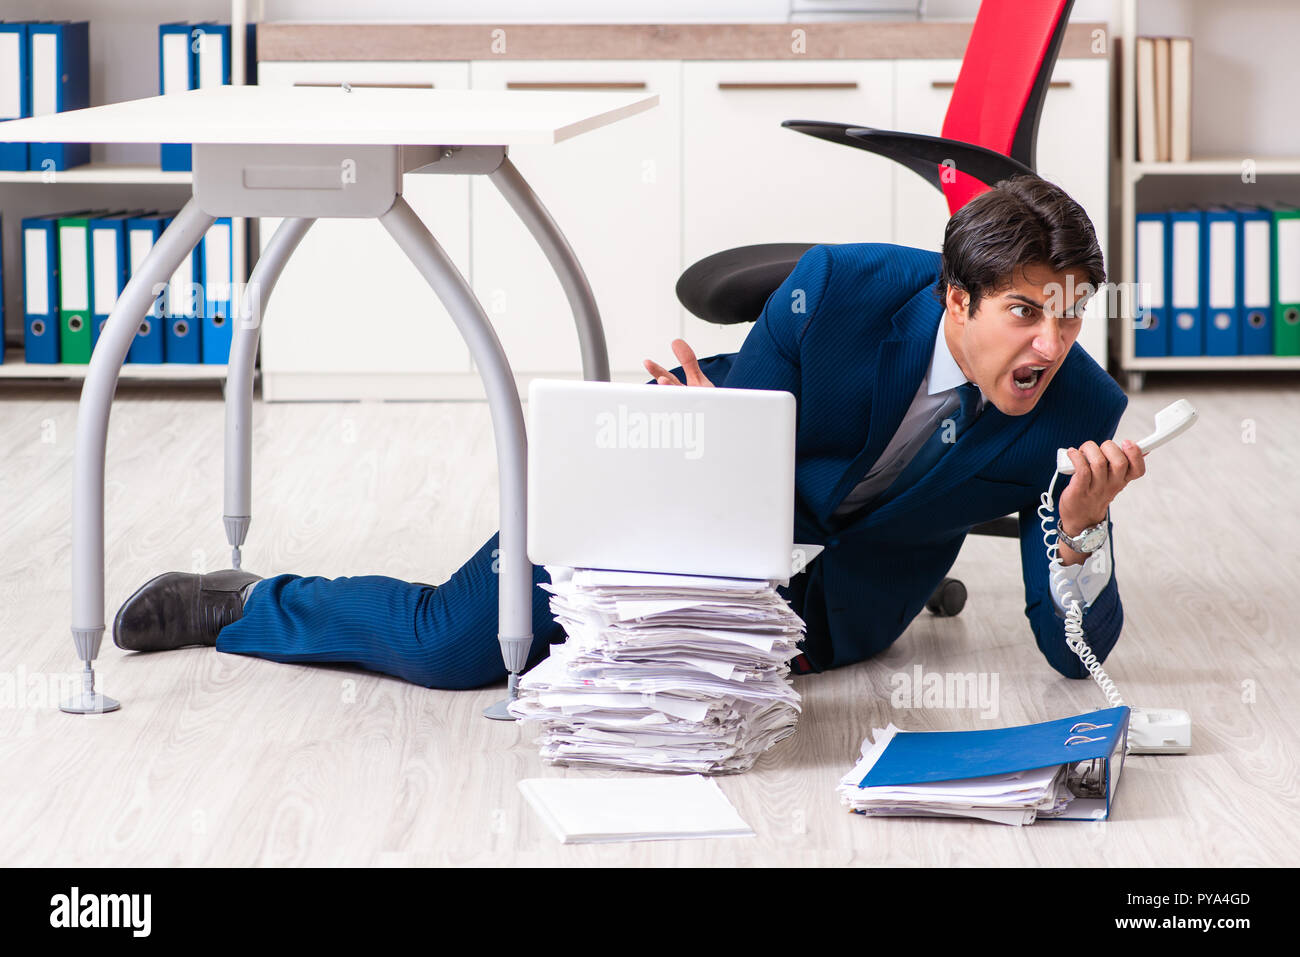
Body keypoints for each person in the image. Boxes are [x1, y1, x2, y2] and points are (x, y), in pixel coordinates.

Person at [112, 174, 1146, 686]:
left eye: (1070, 312)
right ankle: (245, 604)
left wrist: (1077, 533)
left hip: (831, 606)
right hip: (696, 501)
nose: (1052, 343)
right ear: (955, 300)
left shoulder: (1080, 411)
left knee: (678, 690)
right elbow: (748, 461)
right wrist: (698, 442)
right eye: (1025, 312)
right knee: (463, 645)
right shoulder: (836, 290)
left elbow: (1074, 658)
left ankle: (913, 571)